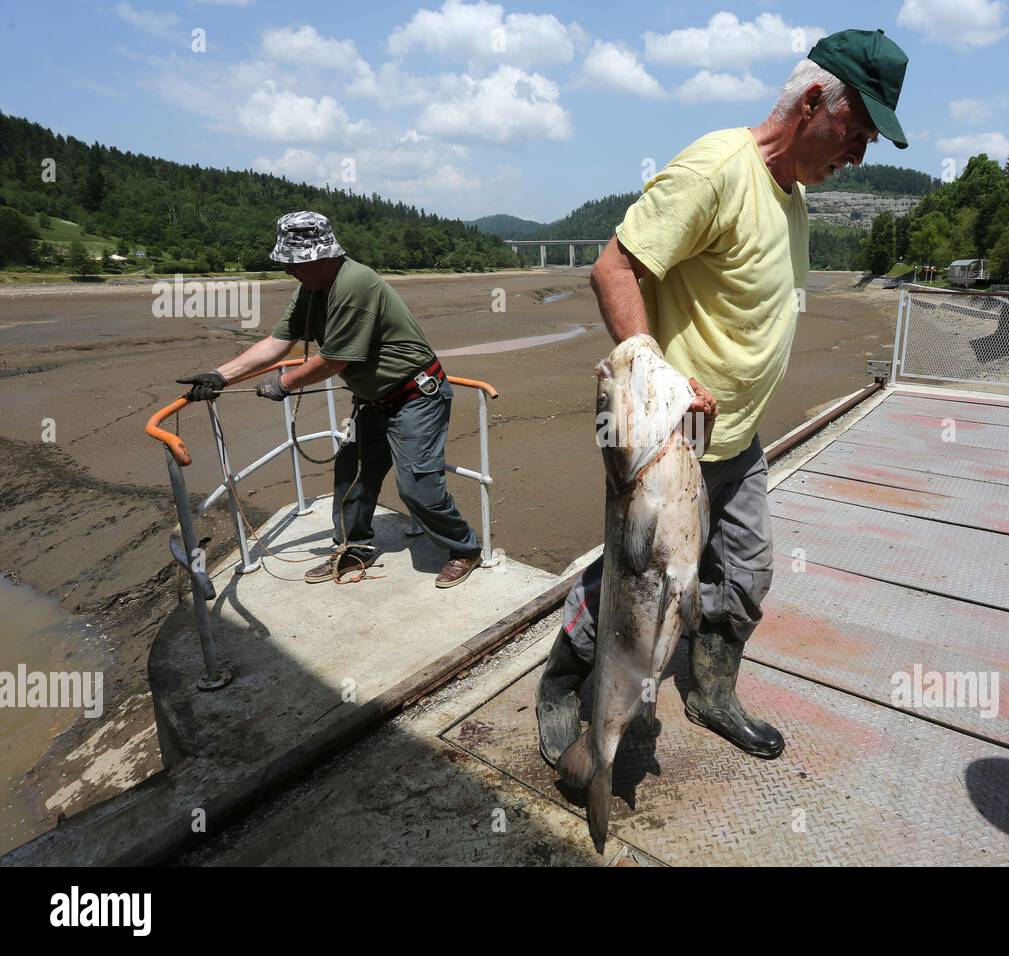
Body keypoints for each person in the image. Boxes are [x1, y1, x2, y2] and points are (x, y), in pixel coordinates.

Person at [536, 29, 910, 764]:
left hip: (736, 438)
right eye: (857, 131)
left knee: (744, 574)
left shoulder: (791, 193)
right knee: (633, 571)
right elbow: (614, 269)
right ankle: (564, 685)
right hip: (671, 441)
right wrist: (656, 374)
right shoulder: (717, 168)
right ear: (811, 102)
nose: (859, 154)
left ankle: (708, 690)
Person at [177, 211, 483, 588]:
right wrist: (220, 375)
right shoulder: (311, 287)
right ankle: (354, 548)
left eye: (294, 263)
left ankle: (465, 548)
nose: (289, 270)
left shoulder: (355, 284)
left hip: (415, 396)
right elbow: (277, 342)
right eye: (287, 263)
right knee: (351, 476)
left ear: (322, 257)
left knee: (417, 486)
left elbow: (336, 359)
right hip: (374, 400)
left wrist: (284, 384)